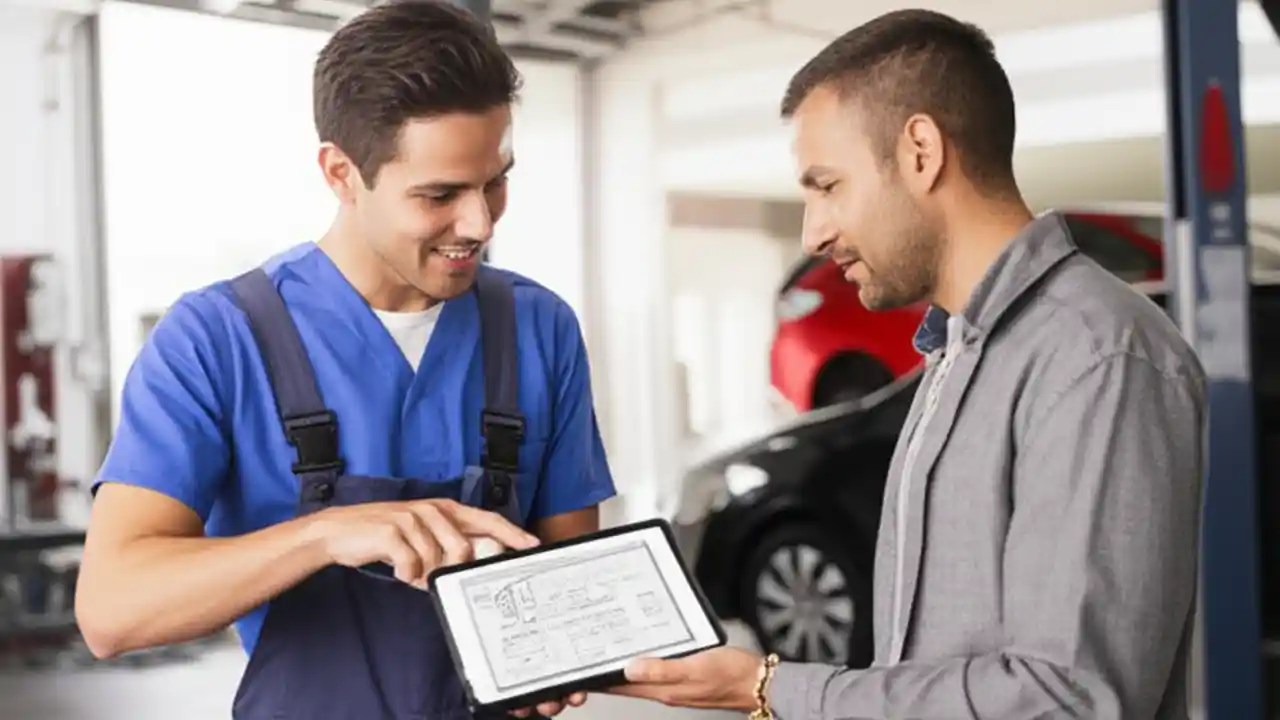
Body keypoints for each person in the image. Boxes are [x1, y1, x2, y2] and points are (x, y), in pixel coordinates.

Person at [611, 9, 1205, 719]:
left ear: (921, 151)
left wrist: (770, 688)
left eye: (826, 186)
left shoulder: (1098, 356)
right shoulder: (953, 354)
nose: (814, 231)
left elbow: (1063, 700)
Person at [73, 2, 615, 718]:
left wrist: (556, 657)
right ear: (341, 172)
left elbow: (566, 590)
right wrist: (323, 535)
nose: (480, 223)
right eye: (439, 194)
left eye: (496, 181)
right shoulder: (213, 340)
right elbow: (112, 610)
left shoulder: (539, 328)